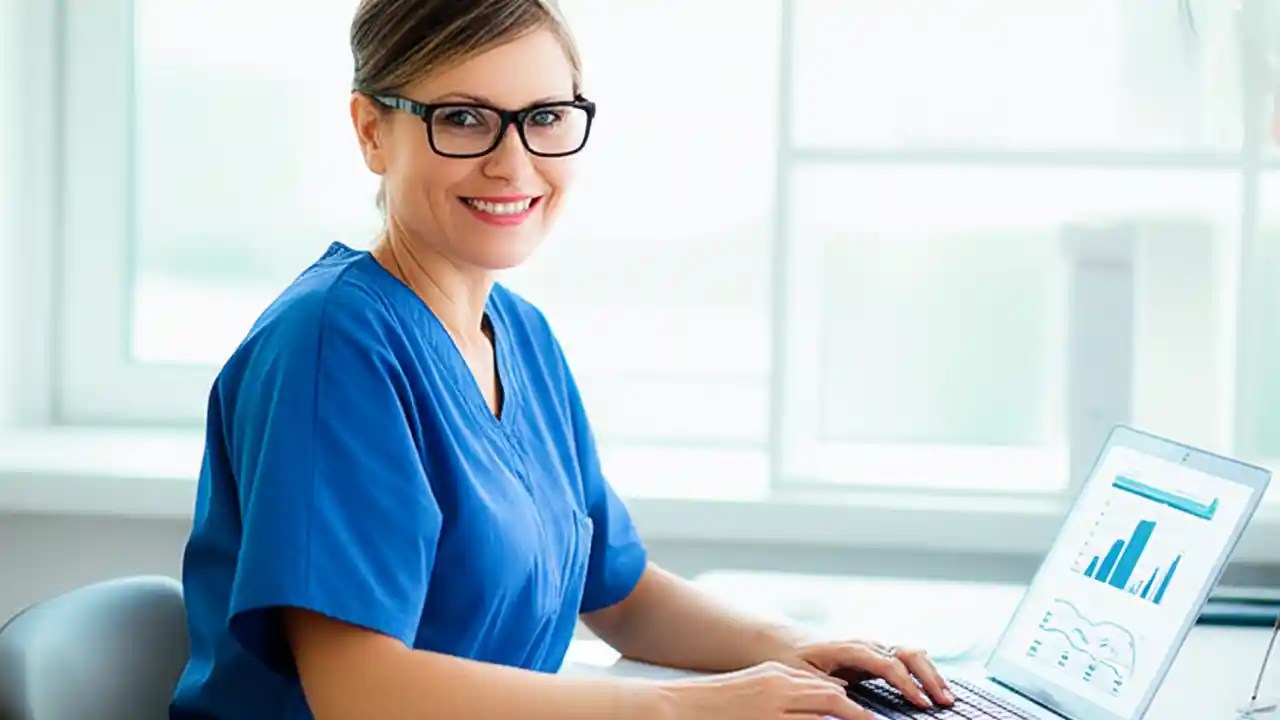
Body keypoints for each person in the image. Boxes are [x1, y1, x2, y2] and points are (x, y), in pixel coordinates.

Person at [168, 1, 958, 718]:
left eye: (544, 116)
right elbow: (362, 690)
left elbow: (619, 597)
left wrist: (787, 648)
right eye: (464, 119)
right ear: (372, 131)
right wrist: (686, 711)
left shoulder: (521, 336)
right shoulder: (332, 345)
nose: (514, 163)